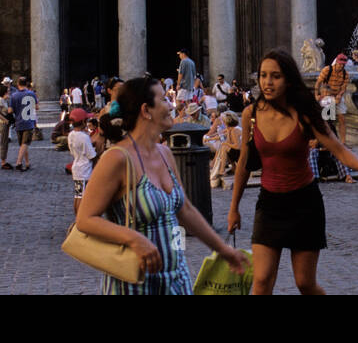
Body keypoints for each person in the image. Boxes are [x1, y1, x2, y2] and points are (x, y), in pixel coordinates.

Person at [228, 49, 358, 294]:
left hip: (304, 204)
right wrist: (233, 208)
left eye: (275, 76)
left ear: (288, 79)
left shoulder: (305, 112)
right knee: (261, 280)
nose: (267, 82)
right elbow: (243, 164)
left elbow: (336, 147)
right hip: (269, 204)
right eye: (263, 75)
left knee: (305, 283)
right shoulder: (252, 114)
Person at [76, 75, 246, 294]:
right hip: (134, 281)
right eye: (164, 99)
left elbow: (185, 209)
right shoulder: (116, 159)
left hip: (176, 276)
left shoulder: (165, 153)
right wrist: (134, 238)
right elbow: (84, 219)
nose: (171, 105)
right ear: (146, 110)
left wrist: (223, 250)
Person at [314, 53, 355, 183]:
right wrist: (318, 94)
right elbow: (318, 82)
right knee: (325, 118)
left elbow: (343, 88)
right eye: (340, 64)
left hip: (336, 95)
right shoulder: (327, 70)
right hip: (325, 94)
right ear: (336, 62)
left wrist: (338, 97)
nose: (341, 66)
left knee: (341, 117)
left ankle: (342, 141)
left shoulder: (345, 74)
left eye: (343, 64)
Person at [9, 75, 37, 171]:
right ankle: (19, 162)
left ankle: (27, 163)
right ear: (26, 84)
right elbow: (36, 107)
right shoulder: (32, 94)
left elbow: (10, 110)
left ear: (18, 84)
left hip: (18, 122)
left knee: (23, 144)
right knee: (25, 143)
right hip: (29, 121)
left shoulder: (13, 95)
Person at [209, 111, 242, 188]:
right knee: (224, 146)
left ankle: (221, 170)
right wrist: (209, 139)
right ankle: (227, 169)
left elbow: (237, 146)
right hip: (237, 152)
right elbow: (220, 135)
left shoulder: (234, 130)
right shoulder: (230, 129)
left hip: (242, 153)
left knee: (224, 147)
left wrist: (226, 144)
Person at [0, 80, 15, 169]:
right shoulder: (1, 100)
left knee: (6, 143)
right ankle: (3, 161)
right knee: (3, 142)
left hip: (6, 124)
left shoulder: (5, 100)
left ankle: (5, 160)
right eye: (7, 91)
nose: (9, 92)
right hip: (3, 124)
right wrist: (6, 120)